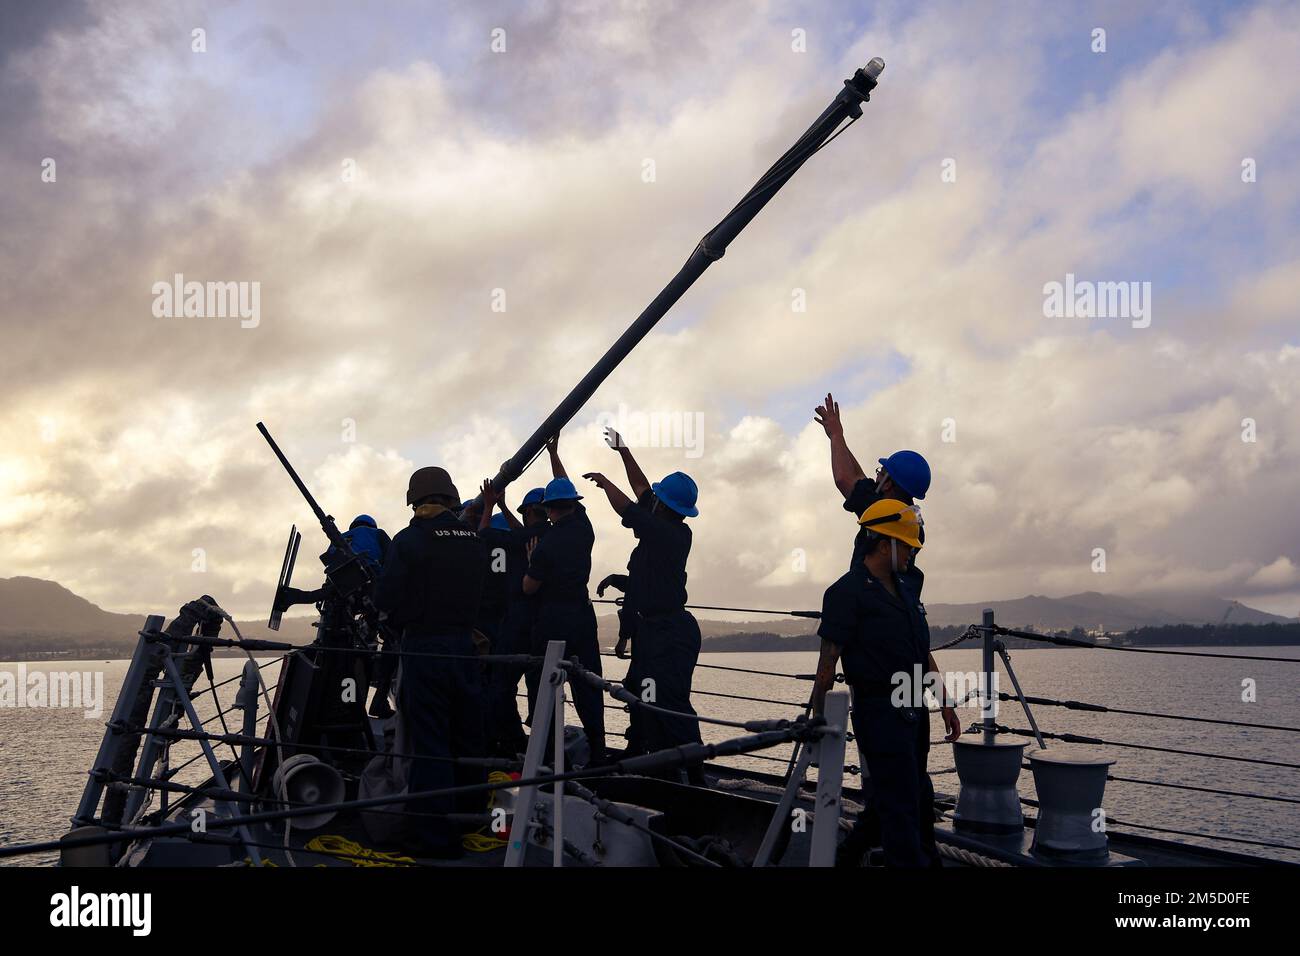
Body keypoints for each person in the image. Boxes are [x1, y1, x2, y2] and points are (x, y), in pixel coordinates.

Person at [810, 499, 961, 867]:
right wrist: (816, 720)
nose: (912, 552)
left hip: (914, 710)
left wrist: (944, 702)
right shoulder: (846, 593)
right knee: (902, 806)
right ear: (883, 545)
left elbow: (921, 650)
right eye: (907, 545)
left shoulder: (906, 589)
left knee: (917, 796)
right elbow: (827, 664)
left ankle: (846, 857)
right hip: (880, 712)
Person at [373, 465, 488, 858]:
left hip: (425, 649)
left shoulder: (409, 540)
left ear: (416, 500)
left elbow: (385, 599)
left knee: (431, 743)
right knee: (468, 734)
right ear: (450, 499)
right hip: (465, 649)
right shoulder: (473, 541)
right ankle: (472, 817)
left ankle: (437, 841)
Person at [584, 427, 704, 784]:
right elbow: (642, 491)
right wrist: (623, 451)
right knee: (638, 690)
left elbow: (630, 506)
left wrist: (606, 483)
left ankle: (695, 772)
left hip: (670, 633)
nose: (649, 502)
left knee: (672, 702)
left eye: (657, 501)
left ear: (664, 508)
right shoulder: (666, 525)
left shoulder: (666, 533)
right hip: (655, 630)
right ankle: (639, 752)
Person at [520, 435, 606, 765]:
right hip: (583, 618)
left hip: (553, 620)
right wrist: (555, 454)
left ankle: (552, 756)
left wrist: (529, 566)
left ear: (548, 510)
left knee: (547, 687)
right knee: (588, 686)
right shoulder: (585, 528)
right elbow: (564, 485)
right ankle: (598, 753)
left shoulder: (547, 543)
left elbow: (529, 587)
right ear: (573, 504)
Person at [814, 392, 931, 572]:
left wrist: (836, 435)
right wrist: (837, 437)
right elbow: (859, 477)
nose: (875, 477)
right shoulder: (911, 520)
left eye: (880, 473)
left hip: (867, 598)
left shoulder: (884, 513)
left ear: (888, 483)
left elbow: (844, 479)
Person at [475, 480, 546, 757]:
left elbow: (483, 533)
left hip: (496, 625)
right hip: (528, 623)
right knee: (533, 687)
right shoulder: (531, 540)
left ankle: (500, 740)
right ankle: (529, 743)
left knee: (497, 686)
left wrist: (491, 505)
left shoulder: (496, 541)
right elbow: (522, 531)